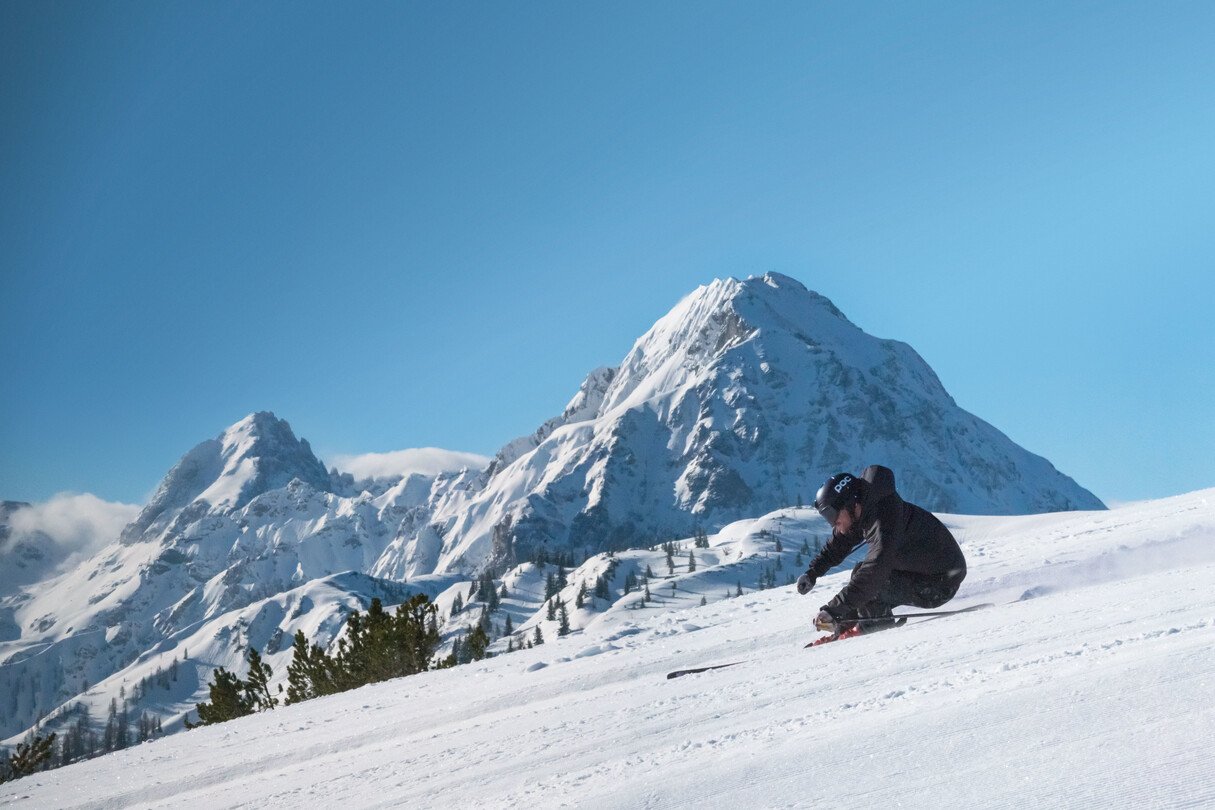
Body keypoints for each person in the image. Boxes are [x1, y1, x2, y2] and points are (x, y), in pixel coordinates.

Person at [796, 465, 966, 639]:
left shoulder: (884, 520)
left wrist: (833, 608)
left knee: (873, 586)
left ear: (849, 504)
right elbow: (839, 544)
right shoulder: (864, 507)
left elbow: (874, 572)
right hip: (926, 572)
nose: (833, 524)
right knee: (861, 577)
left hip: (942, 583)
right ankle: (848, 628)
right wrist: (812, 573)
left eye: (832, 516)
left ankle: (875, 633)